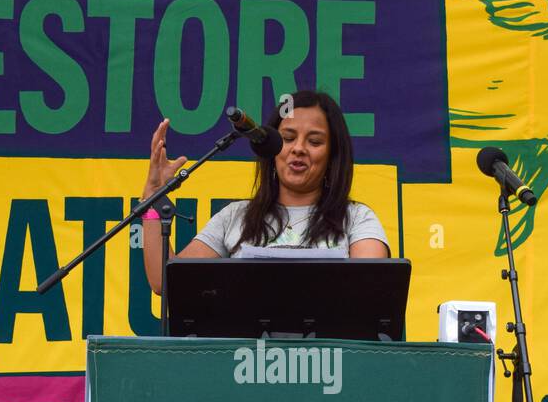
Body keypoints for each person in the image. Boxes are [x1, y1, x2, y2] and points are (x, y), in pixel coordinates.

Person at [139, 89, 390, 295]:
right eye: (288, 138)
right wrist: (153, 196)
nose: (298, 149)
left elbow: (371, 291)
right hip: (250, 356)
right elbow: (165, 282)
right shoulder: (235, 217)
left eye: (314, 142)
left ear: (332, 156)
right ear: (269, 148)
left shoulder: (357, 218)